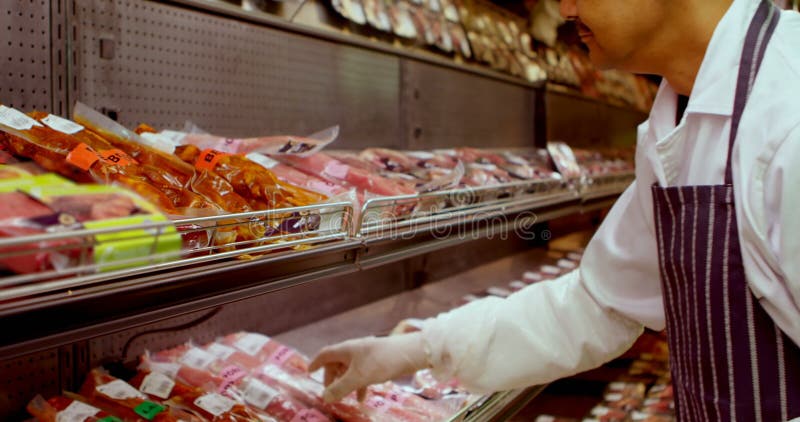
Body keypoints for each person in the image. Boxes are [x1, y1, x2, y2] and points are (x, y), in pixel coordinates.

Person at [310, 0, 800, 420]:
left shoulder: (787, 114)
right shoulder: (682, 114)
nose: (564, 9)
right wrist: (413, 349)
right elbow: (598, 304)